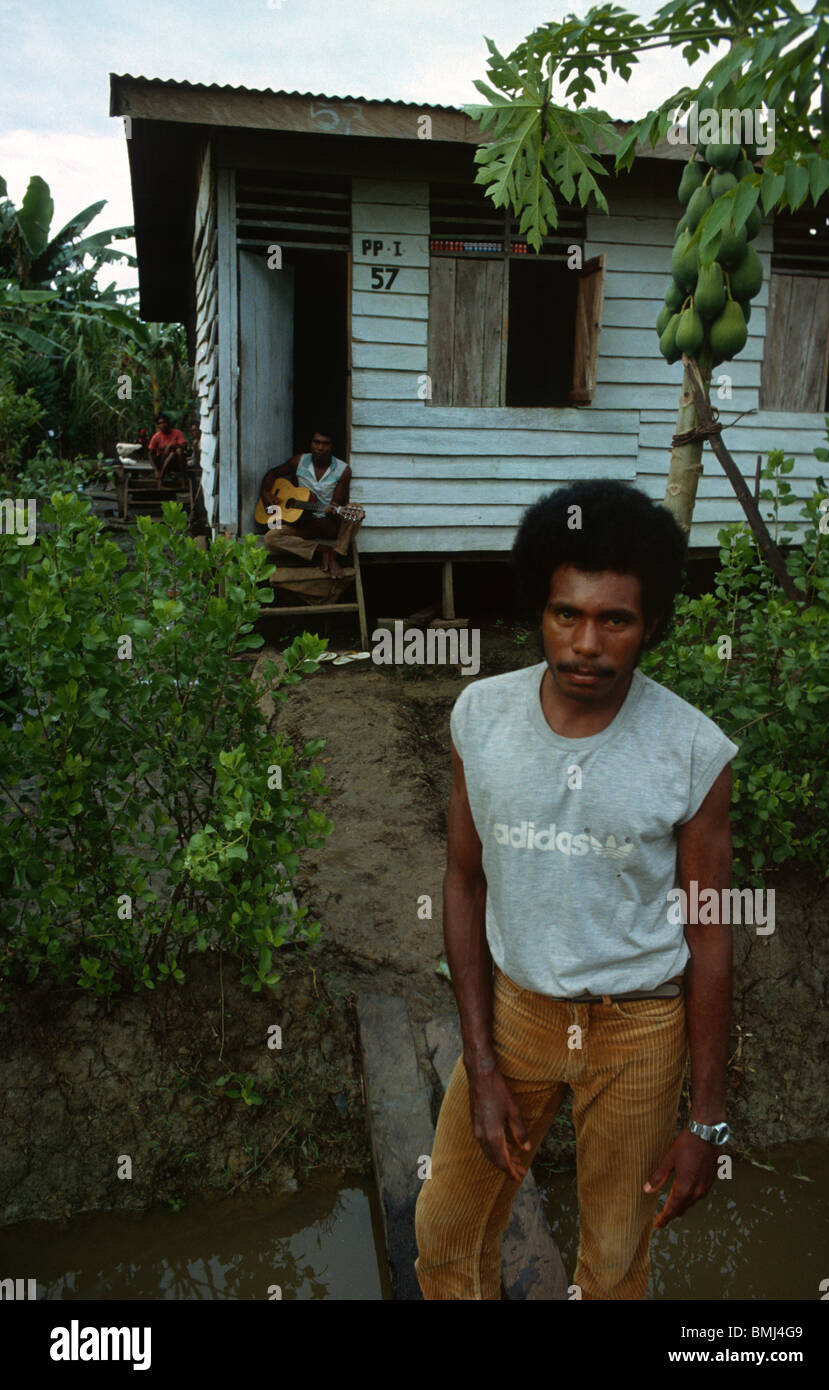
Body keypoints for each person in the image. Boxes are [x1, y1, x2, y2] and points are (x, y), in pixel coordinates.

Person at [414, 479, 739, 1301]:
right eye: (568, 614)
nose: (587, 643)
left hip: (637, 1031)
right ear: (539, 610)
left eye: (614, 620)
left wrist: (704, 1121)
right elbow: (462, 878)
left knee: (615, 1262)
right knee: (446, 1230)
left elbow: (708, 932)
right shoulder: (480, 718)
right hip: (518, 1013)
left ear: (650, 625)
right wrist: (480, 1066)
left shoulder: (691, 752)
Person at [258, 427, 364, 580]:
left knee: (355, 508)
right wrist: (265, 493)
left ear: (332, 446)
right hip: (303, 524)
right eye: (317, 442)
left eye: (325, 443)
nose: (320, 447)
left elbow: (336, 502)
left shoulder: (343, 470)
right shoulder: (299, 461)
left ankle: (336, 554)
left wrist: (332, 510)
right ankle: (322, 550)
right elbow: (273, 473)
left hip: (328, 524)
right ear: (311, 443)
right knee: (271, 537)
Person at [148, 414, 188, 490]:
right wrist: (155, 470)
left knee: (177, 451)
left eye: (164, 422)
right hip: (161, 460)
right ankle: (160, 480)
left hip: (176, 462)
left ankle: (183, 481)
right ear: (158, 426)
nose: (163, 425)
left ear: (168, 423)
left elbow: (184, 446)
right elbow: (150, 454)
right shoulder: (156, 436)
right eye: (160, 423)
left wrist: (171, 447)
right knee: (172, 453)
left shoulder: (177, 433)